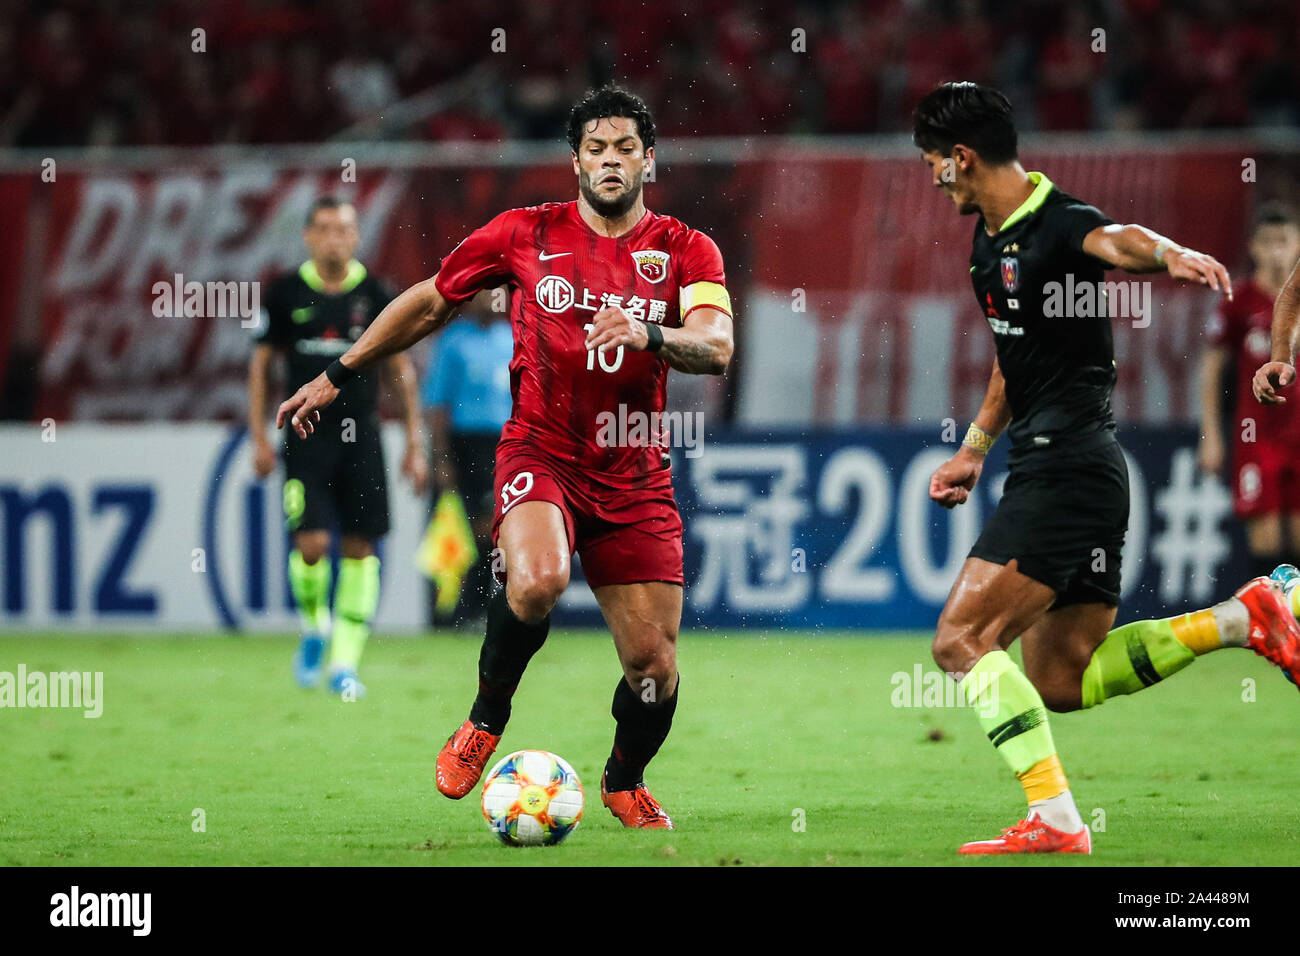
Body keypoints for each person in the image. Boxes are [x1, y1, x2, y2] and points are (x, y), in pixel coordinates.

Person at [273, 85, 734, 828]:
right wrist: (337, 373)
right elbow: (428, 302)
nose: (610, 161)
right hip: (539, 448)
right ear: (575, 161)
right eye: (595, 149)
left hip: (634, 469)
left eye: (625, 148)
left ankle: (623, 777)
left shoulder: (685, 249)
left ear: (650, 159)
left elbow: (715, 347)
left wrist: (649, 334)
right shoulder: (525, 233)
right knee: (539, 579)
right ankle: (485, 719)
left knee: (654, 668)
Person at [916, 81, 1300, 855]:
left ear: (961, 158)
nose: (931, 176)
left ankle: (1055, 819)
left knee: (959, 641)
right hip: (1074, 468)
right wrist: (976, 449)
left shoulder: (1055, 221)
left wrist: (1171, 255)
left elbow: (1117, 239)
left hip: (1067, 472)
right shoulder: (987, 246)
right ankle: (1242, 616)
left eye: (932, 162)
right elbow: (1010, 359)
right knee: (1062, 678)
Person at [249, 196, 427, 698]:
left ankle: (345, 664)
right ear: (308, 235)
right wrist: (259, 434)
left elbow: (399, 371)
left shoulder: (376, 294)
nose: (335, 238)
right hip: (305, 438)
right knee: (311, 546)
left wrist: (415, 442)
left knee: (359, 547)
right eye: (324, 228)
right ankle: (314, 629)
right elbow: (261, 365)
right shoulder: (285, 292)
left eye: (344, 229)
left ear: (356, 236)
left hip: (362, 438)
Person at [1201, 204, 1300, 577]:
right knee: (1267, 544)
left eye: (1284, 241)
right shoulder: (1239, 300)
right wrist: (1210, 435)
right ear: (1254, 247)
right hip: (1257, 435)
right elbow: (1211, 370)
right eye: (1268, 242)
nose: (1276, 251)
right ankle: (1271, 630)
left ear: (1297, 245)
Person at [422, 289, 513, 627]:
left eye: (497, 292)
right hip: (465, 444)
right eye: (484, 292)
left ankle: (483, 606)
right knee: (462, 528)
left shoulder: (513, 338)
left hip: (504, 443)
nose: (491, 299)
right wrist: (442, 458)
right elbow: (437, 405)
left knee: (497, 528)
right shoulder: (453, 341)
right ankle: (454, 609)